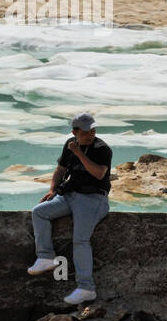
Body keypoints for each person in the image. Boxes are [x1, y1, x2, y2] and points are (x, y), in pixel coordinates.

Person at [27, 112, 112, 306]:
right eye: (86, 131)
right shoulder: (69, 144)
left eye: (93, 130)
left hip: (93, 199)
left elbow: (99, 174)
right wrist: (52, 189)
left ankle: (86, 288)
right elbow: (61, 169)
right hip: (71, 195)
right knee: (39, 212)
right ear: (75, 131)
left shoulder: (102, 148)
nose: (91, 134)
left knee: (80, 240)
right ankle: (46, 257)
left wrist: (79, 153)